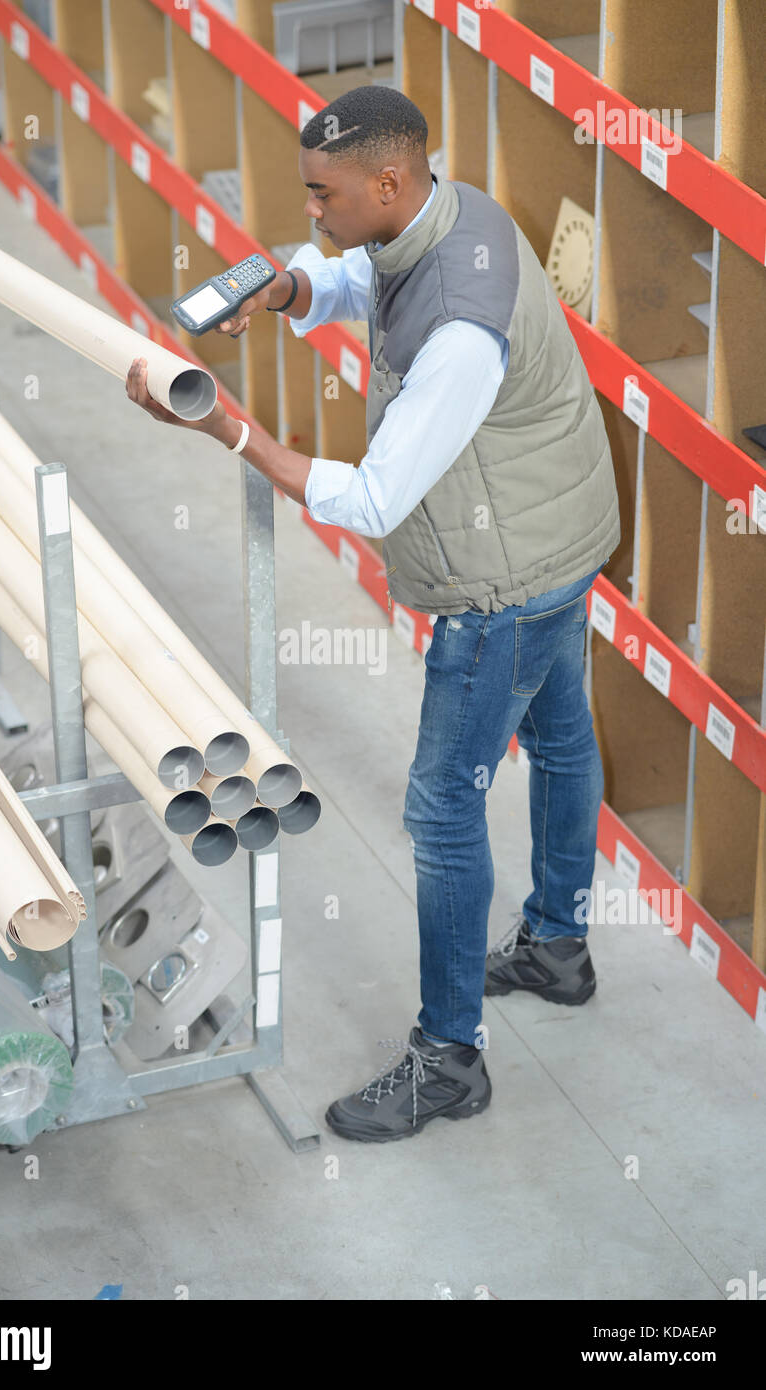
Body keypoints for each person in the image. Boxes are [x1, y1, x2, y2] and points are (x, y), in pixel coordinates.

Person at [125, 84, 621, 1144]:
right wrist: (295, 288)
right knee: (562, 732)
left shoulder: (458, 336)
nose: (308, 212)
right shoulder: (452, 212)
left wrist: (231, 433)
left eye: (321, 195)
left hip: (504, 578)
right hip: (560, 531)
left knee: (443, 810)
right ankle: (558, 946)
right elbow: (364, 269)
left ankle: (449, 1059)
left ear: (386, 181)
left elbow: (371, 496)